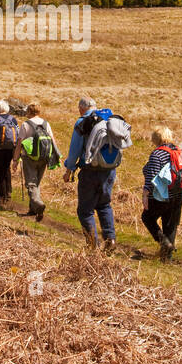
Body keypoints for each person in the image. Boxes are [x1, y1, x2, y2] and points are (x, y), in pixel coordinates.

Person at [63, 98, 121, 252]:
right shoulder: (109, 121)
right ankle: (111, 240)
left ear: (82, 108)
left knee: (85, 210)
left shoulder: (84, 122)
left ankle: (92, 244)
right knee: (104, 205)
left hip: (89, 171)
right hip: (109, 171)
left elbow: (75, 150)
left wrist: (69, 169)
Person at [141, 127, 182, 261]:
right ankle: (167, 258)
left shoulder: (157, 154)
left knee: (147, 217)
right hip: (178, 194)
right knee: (170, 224)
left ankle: (164, 242)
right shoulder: (178, 152)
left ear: (156, 138)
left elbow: (152, 177)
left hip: (162, 194)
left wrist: (145, 194)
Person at [12, 103, 58, 222]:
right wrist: (55, 156)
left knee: (31, 184)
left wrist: (15, 160)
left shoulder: (26, 124)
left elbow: (19, 143)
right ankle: (32, 209)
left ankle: (38, 205)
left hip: (29, 158)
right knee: (36, 182)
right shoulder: (46, 123)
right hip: (44, 157)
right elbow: (52, 140)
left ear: (29, 112)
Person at [0, 101, 19, 208]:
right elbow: (18, 133)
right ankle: (8, 193)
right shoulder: (13, 119)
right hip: (11, 149)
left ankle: (1, 197)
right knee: (6, 169)